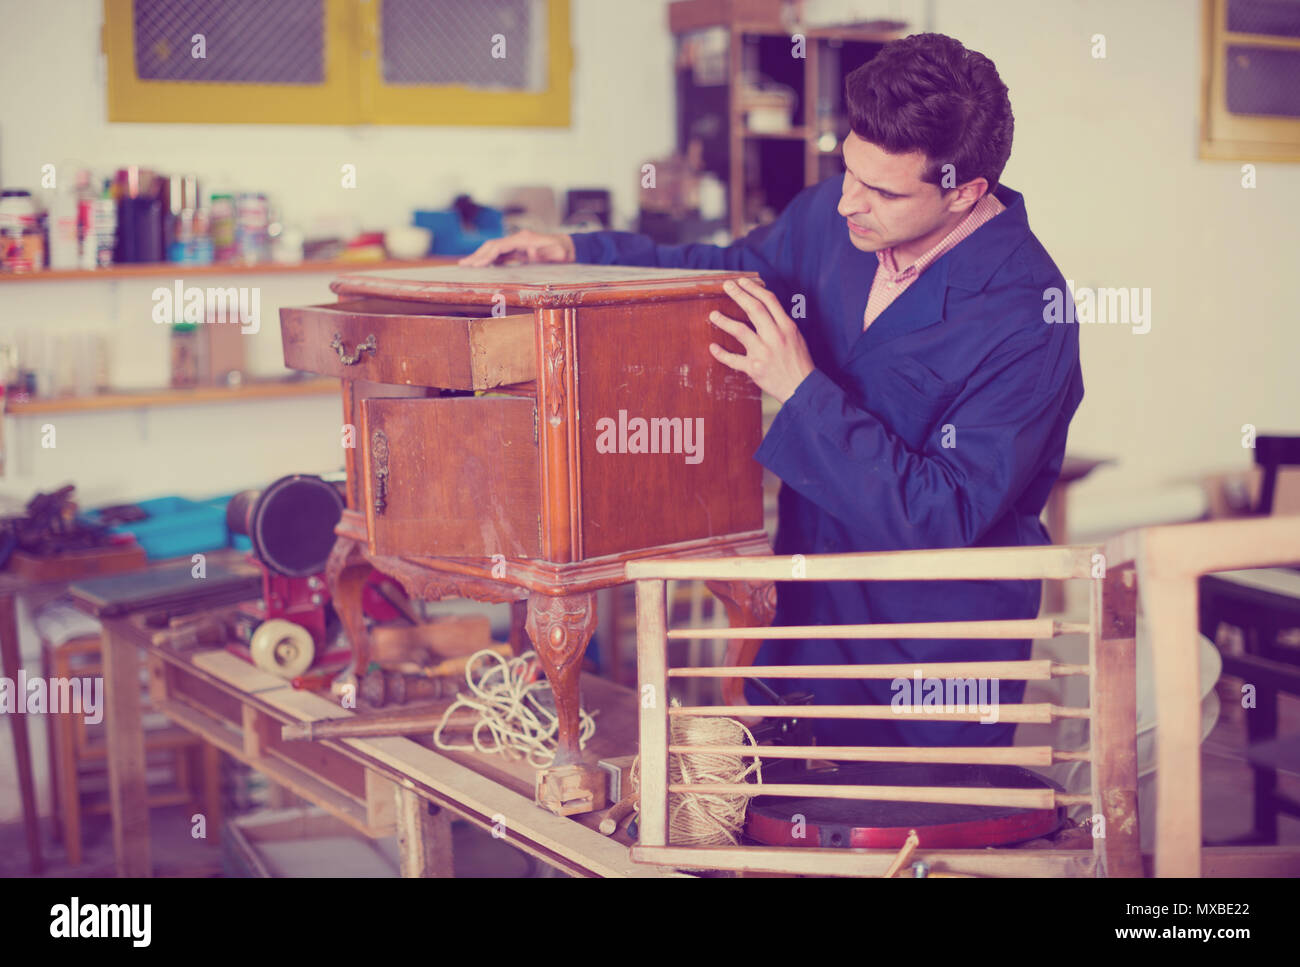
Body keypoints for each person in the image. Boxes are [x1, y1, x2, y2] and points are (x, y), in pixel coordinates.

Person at [460, 33, 1084, 748]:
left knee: (906, 849)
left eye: (881, 190)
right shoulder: (835, 216)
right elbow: (725, 269)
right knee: (774, 826)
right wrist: (579, 250)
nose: (849, 200)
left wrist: (802, 388)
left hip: (926, 653)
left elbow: (943, 515)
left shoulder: (1027, 313)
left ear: (964, 192)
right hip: (804, 613)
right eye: (848, 167)